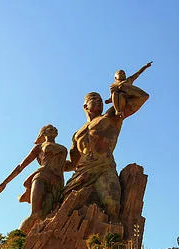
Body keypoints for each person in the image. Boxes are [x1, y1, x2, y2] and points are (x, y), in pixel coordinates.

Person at [61, 63, 151, 221]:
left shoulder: (112, 116)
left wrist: (121, 85)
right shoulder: (76, 134)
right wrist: (50, 165)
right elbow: (72, 164)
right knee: (62, 208)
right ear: (85, 105)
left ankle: (110, 243)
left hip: (104, 168)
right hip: (82, 172)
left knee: (112, 206)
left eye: (100, 99)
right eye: (93, 99)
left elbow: (142, 97)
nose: (99, 101)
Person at [0, 124, 68, 234]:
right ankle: (16, 240)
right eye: (50, 128)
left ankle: (38, 243)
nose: (54, 129)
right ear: (43, 133)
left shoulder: (63, 148)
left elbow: (68, 165)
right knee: (36, 214)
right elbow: (21, 166)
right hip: (42, 177)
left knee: (47, 215)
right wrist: (4, 183)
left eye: (54, 128)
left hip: (58, 182)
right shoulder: (39, 147)